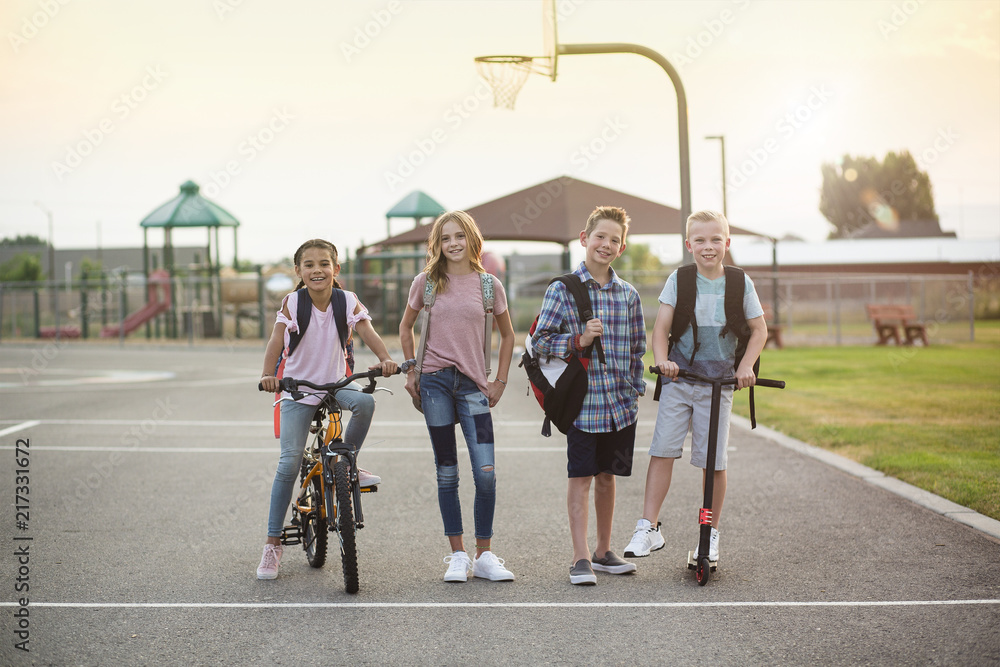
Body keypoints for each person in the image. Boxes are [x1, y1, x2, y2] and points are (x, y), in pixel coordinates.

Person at [623, 210, 766, 564]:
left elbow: (759, 330)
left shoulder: (739, 282)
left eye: (716, 239)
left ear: (727, 243)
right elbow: (661, 329)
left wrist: (745, 366)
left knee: (713, 462)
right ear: (689, 245)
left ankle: (710, 533)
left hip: (719, 383)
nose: (708, 247)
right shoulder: (681, 279)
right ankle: (649, 527)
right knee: (663, 449)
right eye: (700, 240)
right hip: (681, 379)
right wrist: (664, 360)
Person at [256, 239, 398, 580]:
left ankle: (349, 462)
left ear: (336, 269)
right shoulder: (293, 302)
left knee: (365, 401)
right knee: (289, 462)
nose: (317, 270)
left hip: (336, 382)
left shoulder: (346, 300)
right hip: (298, 388)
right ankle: (272, 542)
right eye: (309, 264)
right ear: (299, 271)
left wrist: (385, 359)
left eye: (324, 263)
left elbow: (367, 331)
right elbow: (276, 340)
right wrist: (267, 375)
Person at [399, 211, 516, 583]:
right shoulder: (426, 283)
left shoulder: (488, 285)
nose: (453, 243)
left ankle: (484, 555)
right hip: (434, 383)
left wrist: (499, 380)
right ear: (438, 244)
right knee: (447, 472)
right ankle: (458, 555)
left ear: (471, 240)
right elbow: (405, 327)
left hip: (473, 387)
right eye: (445, 238)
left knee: (486, 473)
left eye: (459, 236)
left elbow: (508, 335)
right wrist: (412, 370)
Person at [530, 206, 646, 585]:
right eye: (600, 236)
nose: (606, 244)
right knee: (581, 477)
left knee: (607, 477)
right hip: (584, 406)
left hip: (618, 406)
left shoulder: (628, 295)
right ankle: (580, 558)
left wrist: (634, 392)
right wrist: (578, 339)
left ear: (622, 247)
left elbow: (636, 350)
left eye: (614, 239)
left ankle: (603, 551)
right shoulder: (562, 289)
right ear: (584, 238)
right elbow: (540, 344)